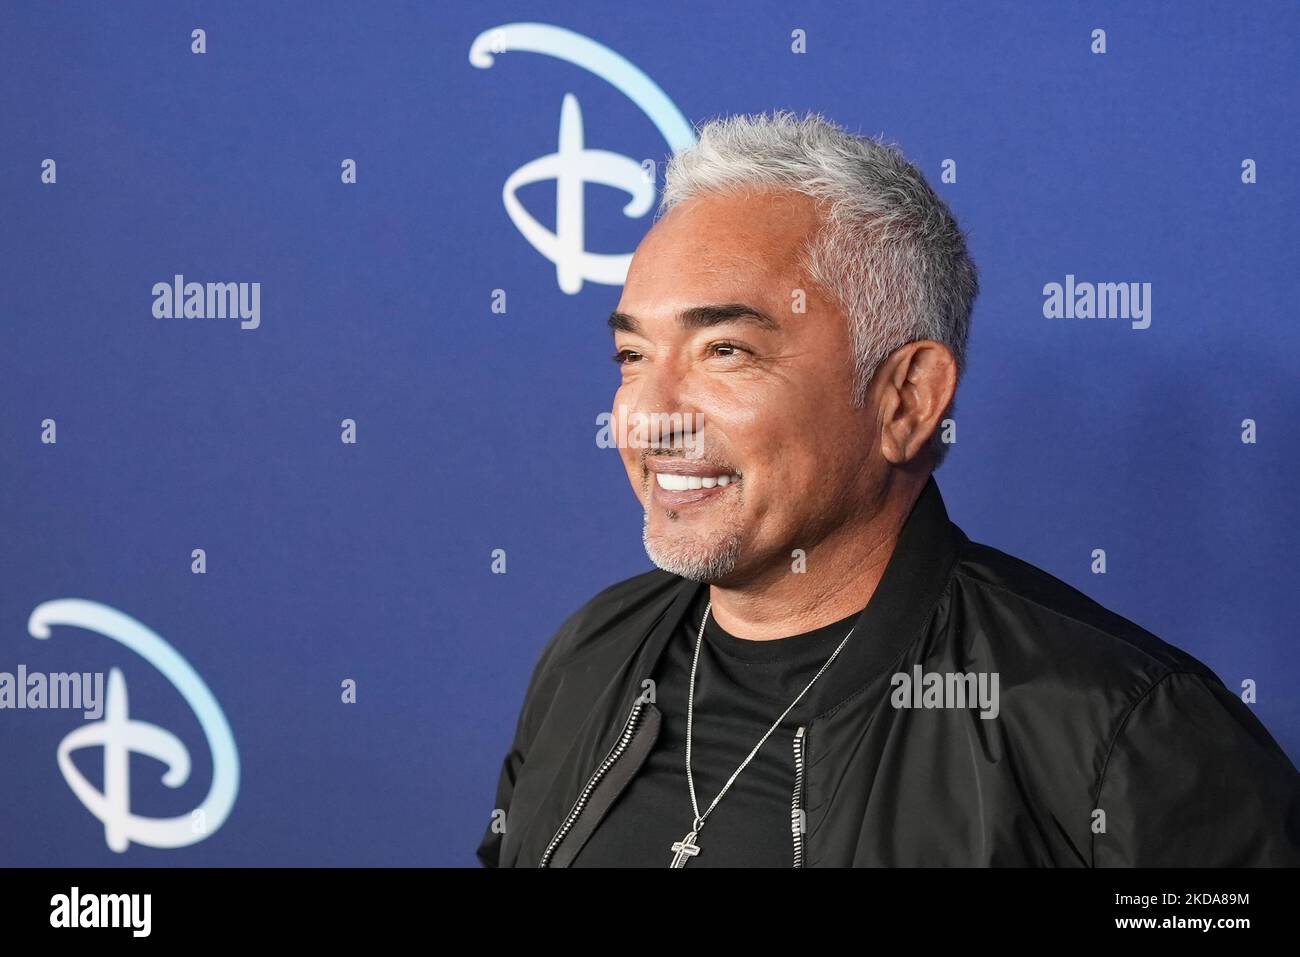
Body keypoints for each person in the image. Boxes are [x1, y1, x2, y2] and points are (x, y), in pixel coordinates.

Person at [477, 111, 1299, 867]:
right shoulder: (591, 654)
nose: (650, 419)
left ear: (906, 398)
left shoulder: (1122, 731)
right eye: (632, 357)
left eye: (724, 351)